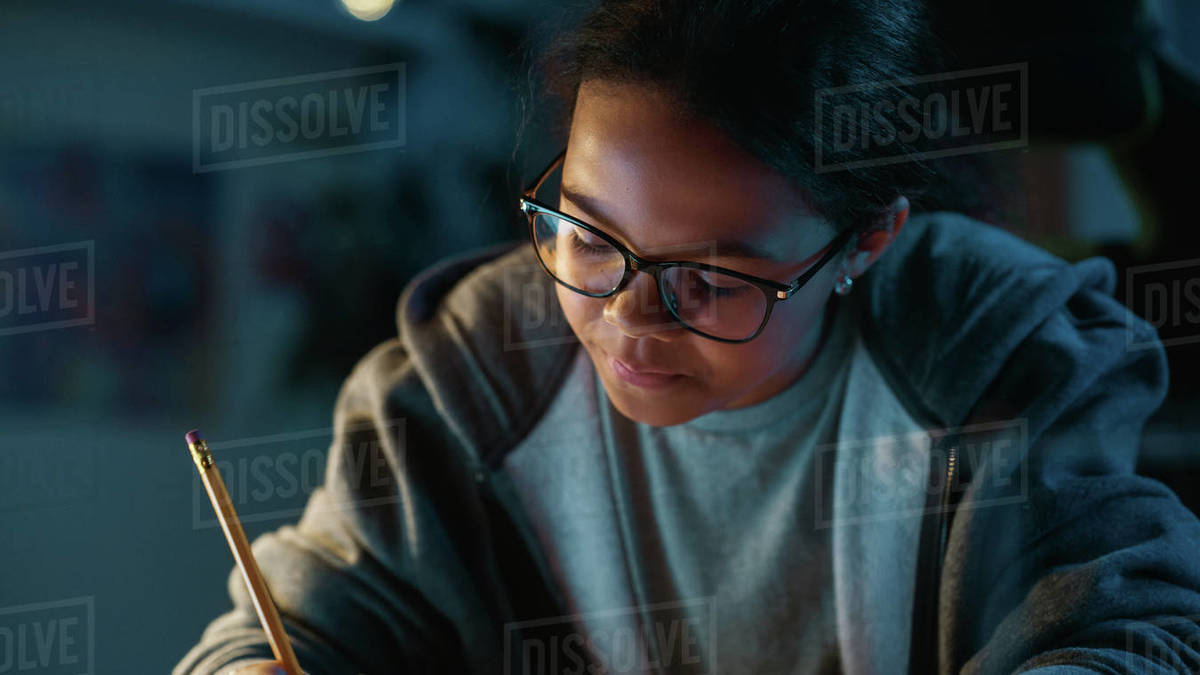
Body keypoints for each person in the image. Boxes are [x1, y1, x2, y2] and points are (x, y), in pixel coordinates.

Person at [175, 1, 1200, 673]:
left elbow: (1137, 635)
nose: (627, 320)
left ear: (868, 239)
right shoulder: (477, 370)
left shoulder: (993, 350)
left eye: (709, 280)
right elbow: (296, 621)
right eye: (584, 232)